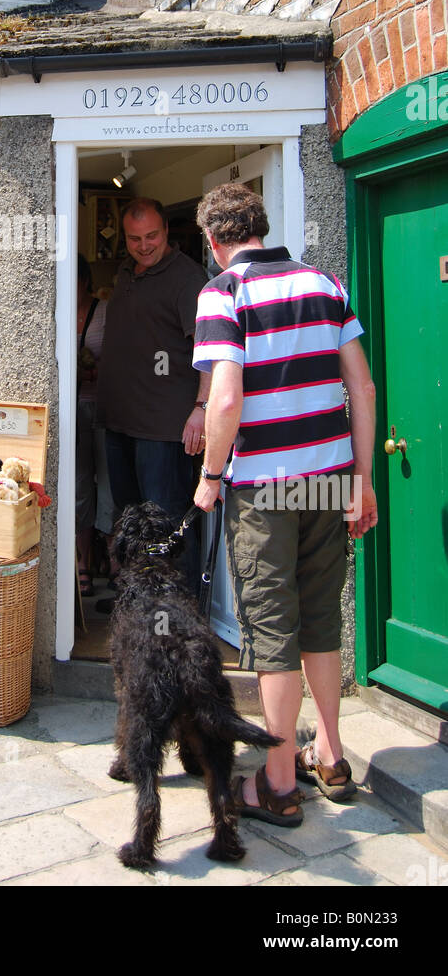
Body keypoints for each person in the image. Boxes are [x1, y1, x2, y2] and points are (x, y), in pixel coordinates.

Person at [192, 182, 378, 827]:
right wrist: (363, 479)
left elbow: (223, 400)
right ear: (261, 228)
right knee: (321, 619)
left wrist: (211, 476)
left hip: (265, 487)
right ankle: (329, 754)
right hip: (327, 481)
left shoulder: (224, 292)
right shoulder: (323, 283)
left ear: (214, 242)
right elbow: (363, 385)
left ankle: (276, 782)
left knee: (272, 631)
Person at [96, 198, 211, 600]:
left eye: (152, 236)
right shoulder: (126, 272)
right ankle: (142, 612)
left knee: (168, 527)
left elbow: (209, 352)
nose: (144, 245)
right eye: (134, 238)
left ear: (166, 231)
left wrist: (201, 409)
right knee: (130, 525)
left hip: (165, 429)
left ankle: (180, 617)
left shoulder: (187, 278)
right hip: (120, 423)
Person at [75, 254, 113, 596]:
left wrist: (97, 371)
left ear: (85, 281)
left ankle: (115, 564)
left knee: (110, 483)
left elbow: (123, 358)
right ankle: (81, 564)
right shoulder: (54, 308)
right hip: (71, 411)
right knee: (79, 485)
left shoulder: (105, 311)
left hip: (103, 408)